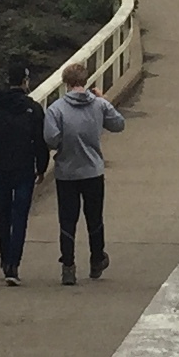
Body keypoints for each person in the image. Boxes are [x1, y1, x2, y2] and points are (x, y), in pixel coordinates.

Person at [0, 56, 51, 287]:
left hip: (1, 168)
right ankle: (14, 264)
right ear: (25, 81)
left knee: (3, 216)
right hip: (24, 169)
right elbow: (40, 141)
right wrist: (41, 167)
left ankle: (5, 262)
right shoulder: (33, 109)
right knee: (19, 216)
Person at [43, 58, 126, 285]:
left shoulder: (56, 109)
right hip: (93, 170)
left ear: (66, 83)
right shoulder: (99, 105)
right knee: (94, 217)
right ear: (85, 80)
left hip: (66, 172)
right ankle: (97, 258)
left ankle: (68, 265)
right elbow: (119, 124)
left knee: (67, 220)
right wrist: (104, 99)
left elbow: (50, 139)